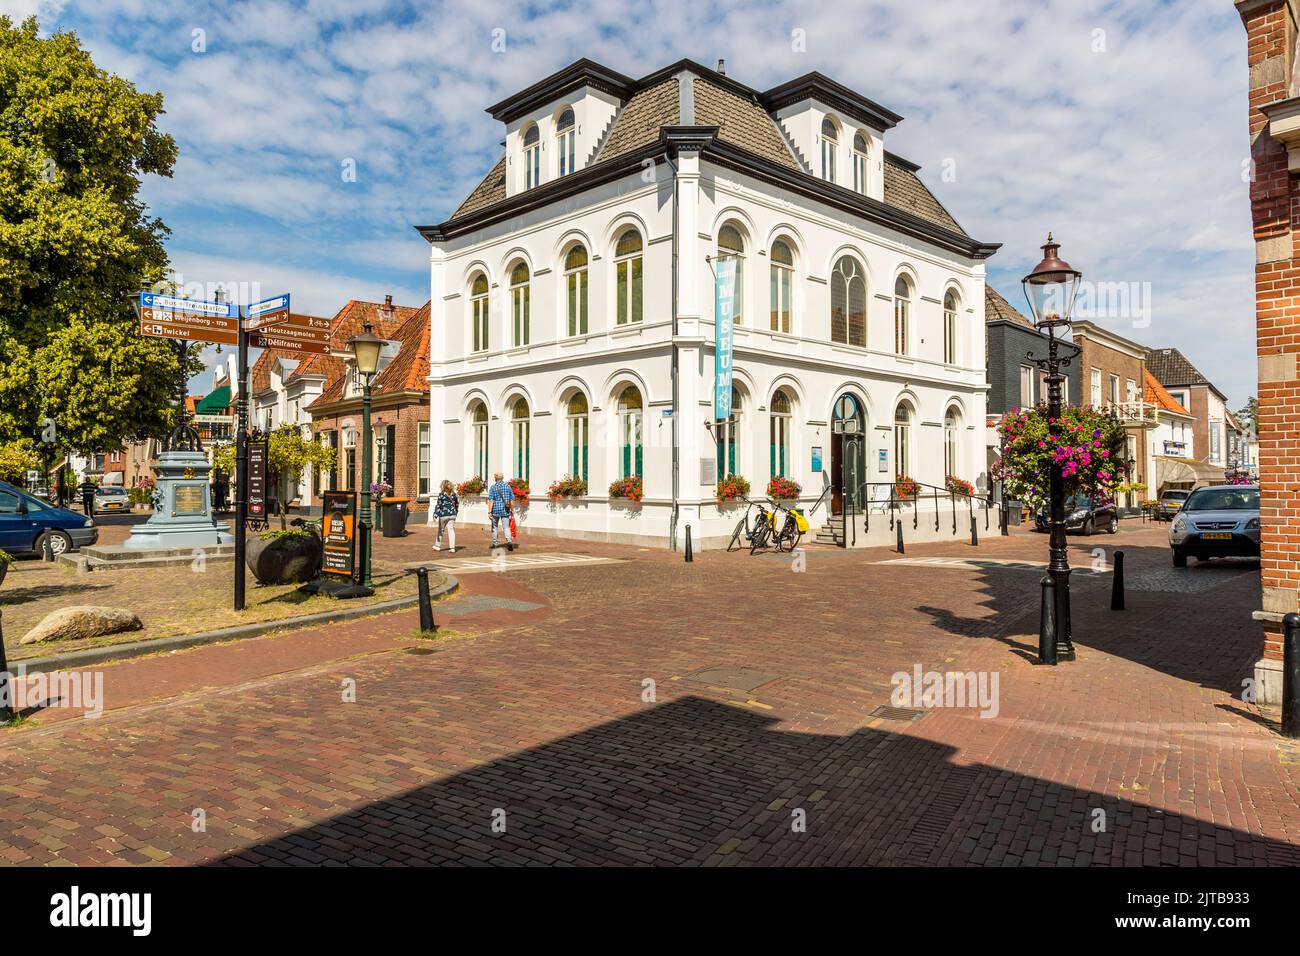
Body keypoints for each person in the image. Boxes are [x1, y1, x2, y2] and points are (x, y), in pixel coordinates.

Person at [486, 471, 515, 551]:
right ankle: (509, 542)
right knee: (506, 527)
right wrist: (512, 509)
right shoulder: (508, 487)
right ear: (502, 478)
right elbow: (512, 499)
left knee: (494, 527)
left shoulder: (493, 487)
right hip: (505, 510)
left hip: (495, 510)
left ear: (495, 478)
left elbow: (491, 500)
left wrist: (489, 512)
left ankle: (495, 544)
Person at [432, 479, 459, 552]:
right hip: (452, 514)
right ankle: (452, 548)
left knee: (441, 530)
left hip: (444, 514)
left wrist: (435, 515)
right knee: (451, 530)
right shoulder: (454, 494)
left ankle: (437, 546)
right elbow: (456, 504)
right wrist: (456, 512)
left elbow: (438, 505)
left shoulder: (441, 494)